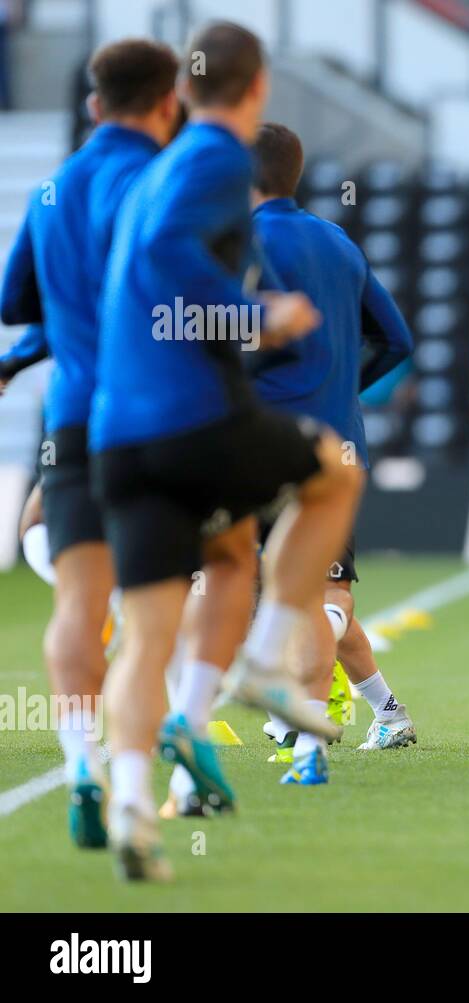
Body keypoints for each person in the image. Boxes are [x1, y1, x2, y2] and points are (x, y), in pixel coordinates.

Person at [89, 21, 362, 881]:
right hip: (188, 419)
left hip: (117, 433)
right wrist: (254, 317)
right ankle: (269, 663)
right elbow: (173, 260)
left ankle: (134, 801)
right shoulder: (215, 157)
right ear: (257, 89)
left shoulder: (151, 168)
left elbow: (134, 279)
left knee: (147, 634)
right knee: (333, 473)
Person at [0, 38, 181, 850]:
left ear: (93, 105)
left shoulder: (52, 186)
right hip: (150, 414)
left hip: (68, 419)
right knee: (153, 608)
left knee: (78, 602)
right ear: (170, 102)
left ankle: (81, 764)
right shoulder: (159, 179)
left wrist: (33, 349)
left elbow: (14, 300)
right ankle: (145, 785)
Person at [246, 121, 416, 784]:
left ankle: (299, 728)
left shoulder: (233, 243)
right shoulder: (337, 241)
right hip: (338, 444)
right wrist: (341, 388)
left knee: (283, 594)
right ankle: (383, 712)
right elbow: (396, 340)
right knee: (319, 593)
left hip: (257, 444)